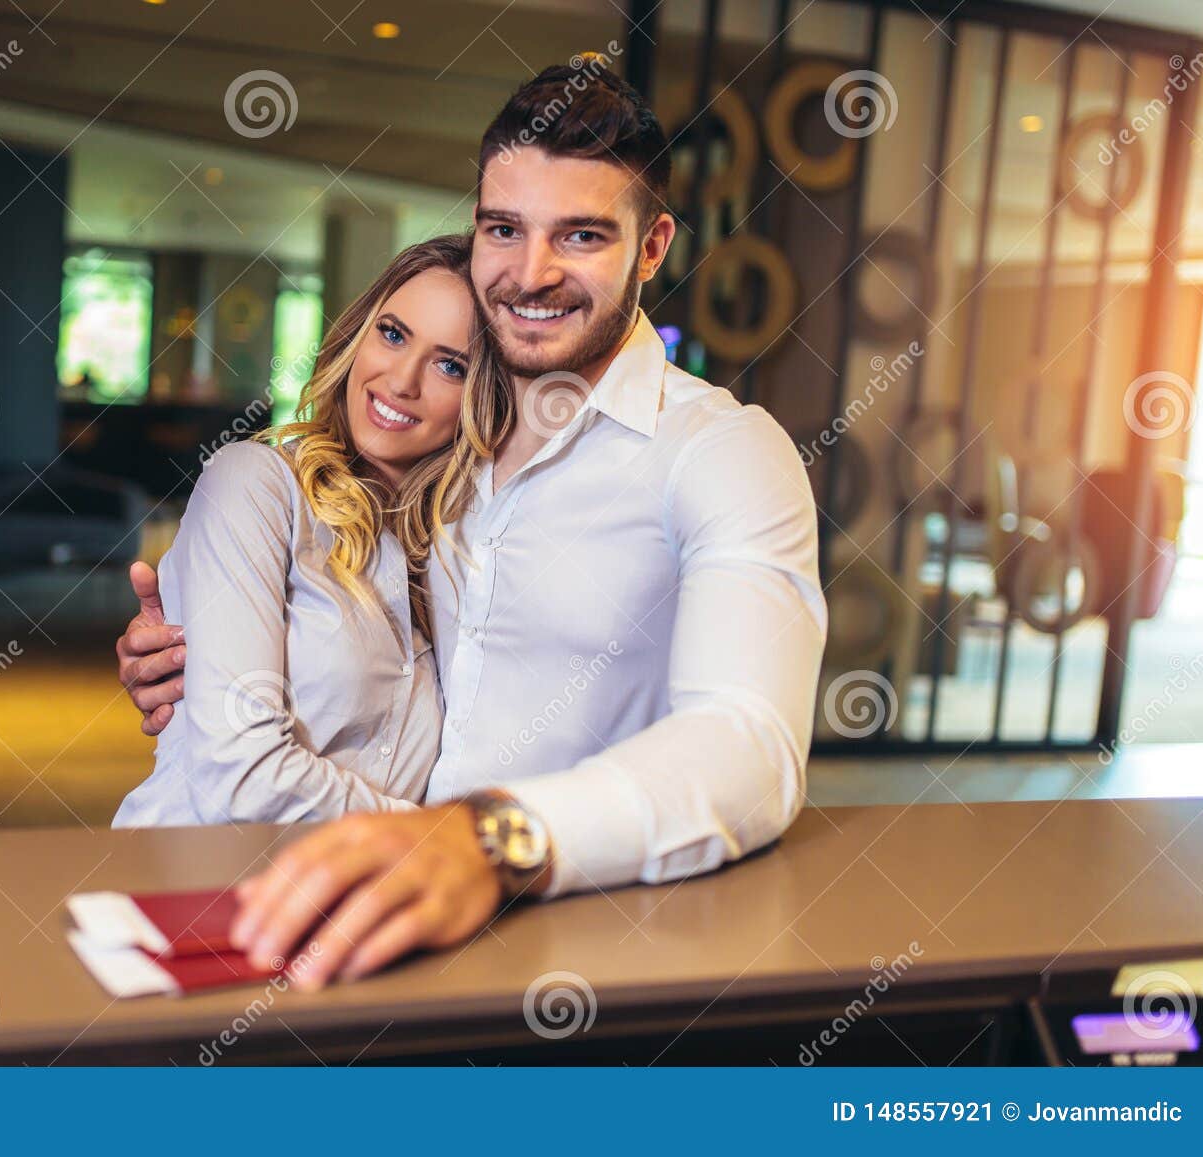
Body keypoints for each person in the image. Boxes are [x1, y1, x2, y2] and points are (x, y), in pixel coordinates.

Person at [117, 62, 827, 989]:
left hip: (569, 943)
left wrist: (488, 836)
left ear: (652, 247)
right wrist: (189, 637)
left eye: (580, 234)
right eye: (504, 228)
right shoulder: (438, 462)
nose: (531, 273)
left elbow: (749, 745)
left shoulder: (722, 453)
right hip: (352, 919)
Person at [113, 235, 511, 826]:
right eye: (393, 334)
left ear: (485, 396)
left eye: (451, 365)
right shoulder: (254, 484)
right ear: (358, 336)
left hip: (360, 906)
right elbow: (242, 773)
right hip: (200, 890)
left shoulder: (458, 553)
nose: (401, 381)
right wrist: (432, 840)